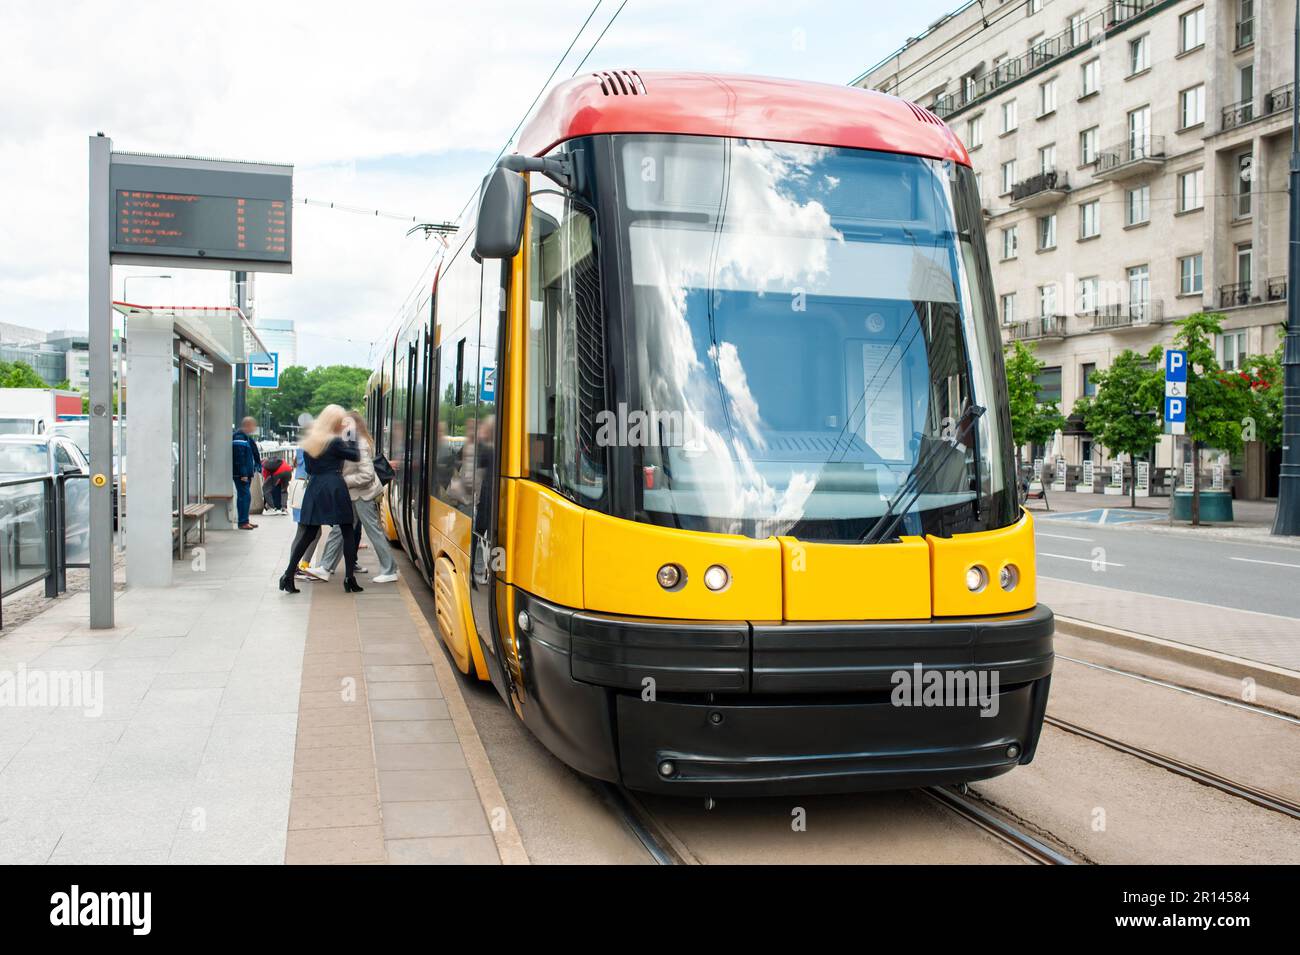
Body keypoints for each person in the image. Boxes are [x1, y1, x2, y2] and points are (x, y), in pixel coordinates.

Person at [278, 405, 362, 594]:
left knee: (309, 532)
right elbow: (355, 456)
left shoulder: (312, 442)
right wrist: (353, 435)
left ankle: (288, 575)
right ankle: (350, 579)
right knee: (347, 530)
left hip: (315, 487)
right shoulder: (335, 442)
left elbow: (308, 469)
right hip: (334, 486)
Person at [309, 412, 398, 583]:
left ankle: (389, 570)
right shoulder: (350, 442)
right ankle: (325, 567)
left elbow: (367, 475)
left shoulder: (360, 444)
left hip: (362, 495)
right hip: (353, 495)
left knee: (373, 531)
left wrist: (341, 481)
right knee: (339, 530)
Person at [232, 417, 262, 530]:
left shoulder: (246, 438)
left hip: (245, 473)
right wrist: (243, 473)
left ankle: (245, 520)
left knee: (245, 496)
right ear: (247, 426)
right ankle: (243, 522)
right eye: (252, 425)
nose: (254, 428)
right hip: (241, 474)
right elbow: (239, 457)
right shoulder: (240, 438)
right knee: (244, 496)